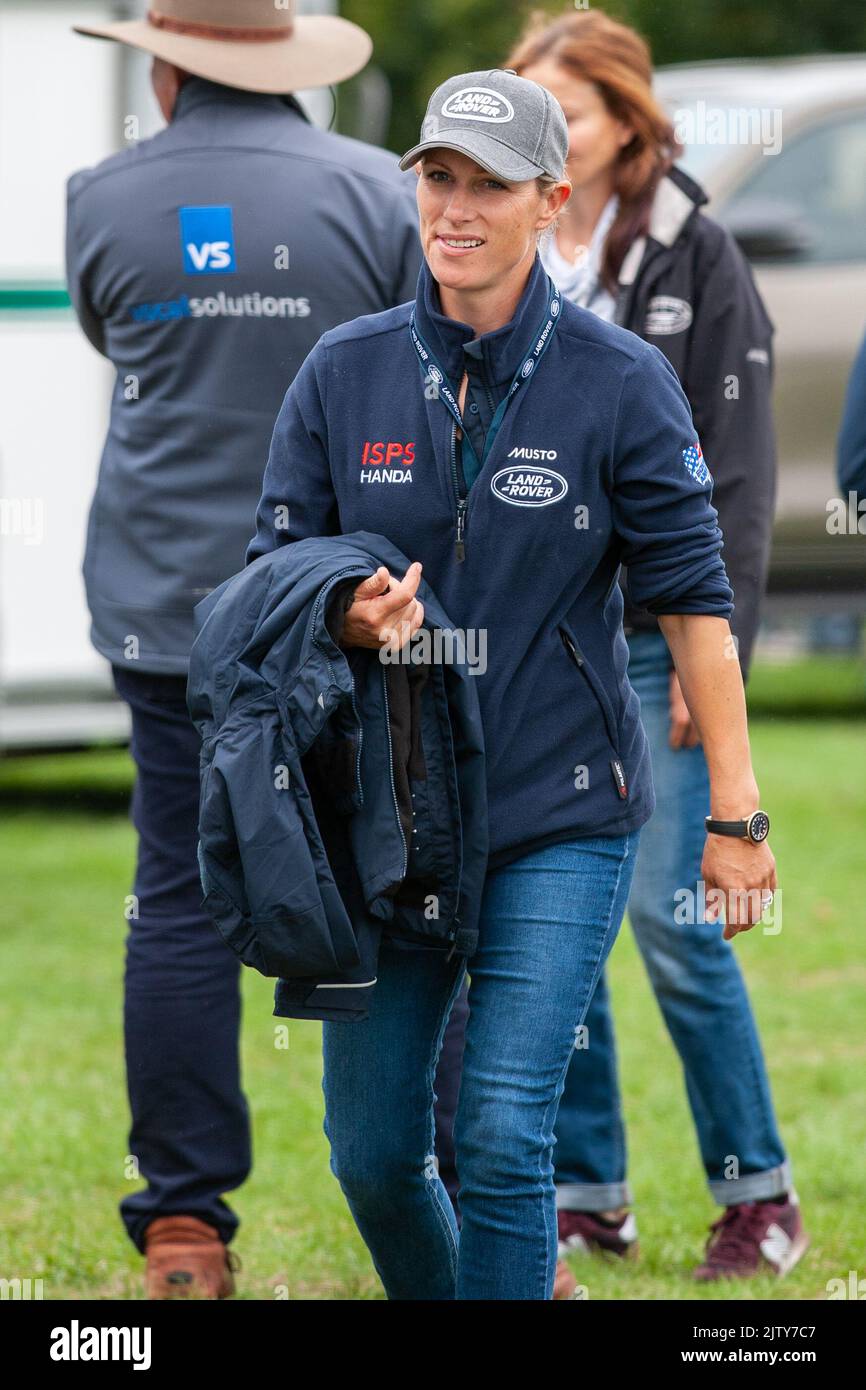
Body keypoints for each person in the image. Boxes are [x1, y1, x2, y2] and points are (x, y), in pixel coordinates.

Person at [246, 67, 778, 1301]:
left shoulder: (620, 378)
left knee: (496, 1139)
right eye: (438, 177)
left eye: (489, 184)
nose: (457, 208)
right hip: (380, 822)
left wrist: (735, 815)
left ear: (550, 201)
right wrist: (341, 610)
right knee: (375, 1156)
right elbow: (271, 573)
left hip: (560, 810)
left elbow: (695, 604)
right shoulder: (342, 369)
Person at [66, 0, 422, 1298]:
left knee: (175, 897)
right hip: (337, 599)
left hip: (163, 607)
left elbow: (118, 343)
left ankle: (183, 1223)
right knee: (391, 876)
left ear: (165, 65)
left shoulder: (99, 197)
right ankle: (426, 1183)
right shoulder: (377, 192)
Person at [482, 6, 798, 1293]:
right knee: (555, 930)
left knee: (676, 927)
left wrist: (710, 660)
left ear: (626, 124)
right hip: (534, 650)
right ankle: (587, 1194)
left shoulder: (698, 257)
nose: (538, 138)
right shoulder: (495, 245)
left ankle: (755, 1194)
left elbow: (736, 477)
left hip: (657, 648)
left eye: (564, 112)